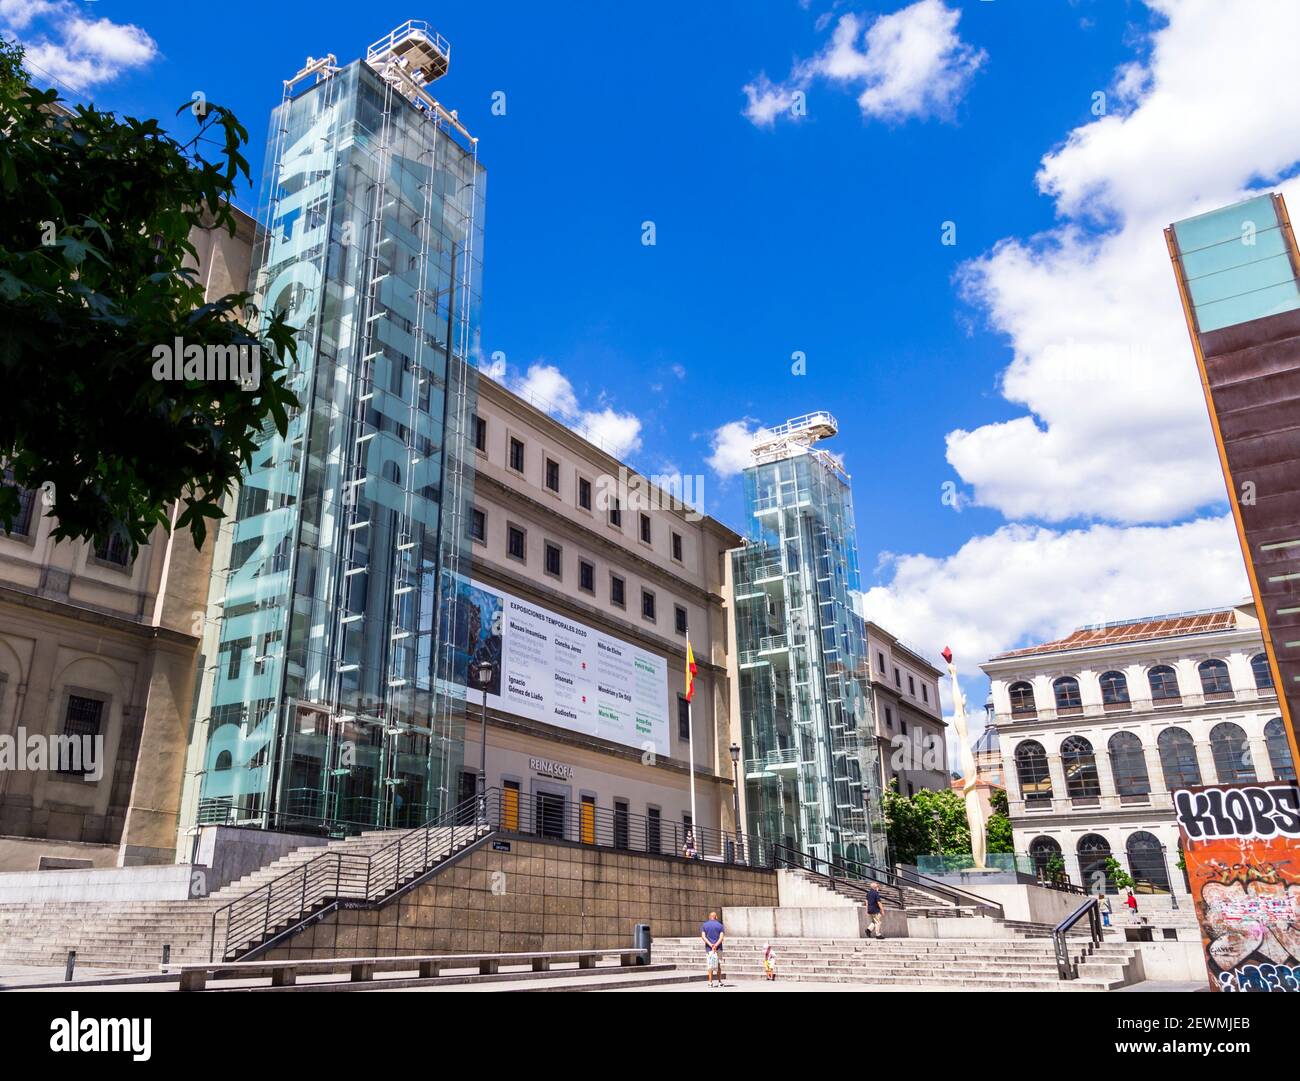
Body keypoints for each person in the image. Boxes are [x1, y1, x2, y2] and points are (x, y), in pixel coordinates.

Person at [701, 910, 725, 987]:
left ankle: (710, 982)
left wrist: (711, 945)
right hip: (718, 948)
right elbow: (721, 938)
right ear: (716, 917)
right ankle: (719, 982)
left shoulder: (705, 925)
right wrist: (716, 945)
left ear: (709, 917)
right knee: (718, 965)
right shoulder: (720, 925)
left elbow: (703, 937)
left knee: (710, 965)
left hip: (709, 948)